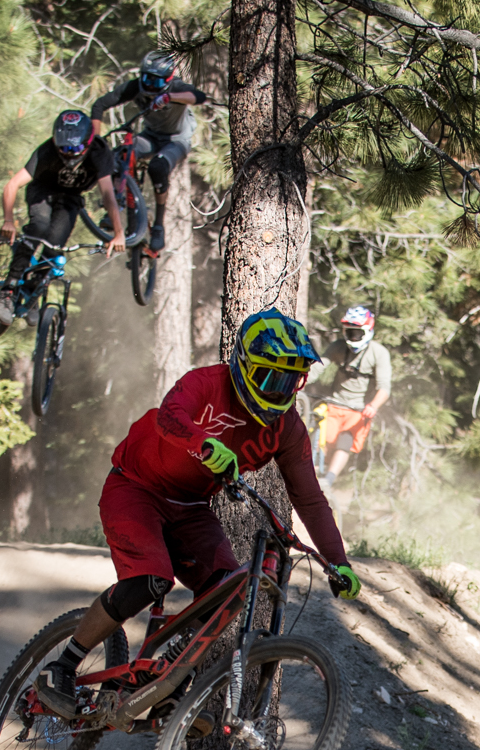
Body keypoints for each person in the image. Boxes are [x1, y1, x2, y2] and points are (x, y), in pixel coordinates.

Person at [35, 309, 364, 717]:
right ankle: (61, 667)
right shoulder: (207, 383)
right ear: (245, 366)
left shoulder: (288, 428)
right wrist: (203, 444)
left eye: (290, 380)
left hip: (190, 506)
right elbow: (169, 416)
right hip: (135, 487)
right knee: (151, 580)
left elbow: (310, 498)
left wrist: (338, 561)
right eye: (270, 378)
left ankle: (166, 677)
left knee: (227, 590)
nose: (280, 392)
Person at [0, 108, 125, 323]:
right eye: (63, 148)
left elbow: (108, 194)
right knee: (39, 228)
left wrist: (119, 233)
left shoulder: (100, 153)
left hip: (71, 196)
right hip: (42, 190)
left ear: (88, 141)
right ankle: (8, 290)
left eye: (75, 148)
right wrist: (8, 221)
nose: (69, 153)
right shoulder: (46, 152)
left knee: (56, 243)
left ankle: (33, 289)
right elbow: (12, 185)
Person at [89, 51, 209, 256]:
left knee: (158, 167)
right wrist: (96, 140)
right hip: (150, 137)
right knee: (117, 157)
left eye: (157, 81)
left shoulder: (175, 87)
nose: (150, 85)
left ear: (169, 79)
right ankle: (117, 204)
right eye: (146, 79)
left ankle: (159, 225)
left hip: (176, 140)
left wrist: (170, 97)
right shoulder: (135, 86)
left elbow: (199, 97)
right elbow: (100, 105)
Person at [312, 306, 393, 491]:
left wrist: (373, 405)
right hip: (333, 405)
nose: (353, 336)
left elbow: (384, 388)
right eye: (350, 332)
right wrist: (298, 382)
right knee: (319, 438)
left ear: (367, 331)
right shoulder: (338, 347)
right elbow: (317, 367)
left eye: (357, 332)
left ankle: (329, 481)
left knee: (345, 442)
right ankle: (311, 476)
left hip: (358, 411)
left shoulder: (379, 353)